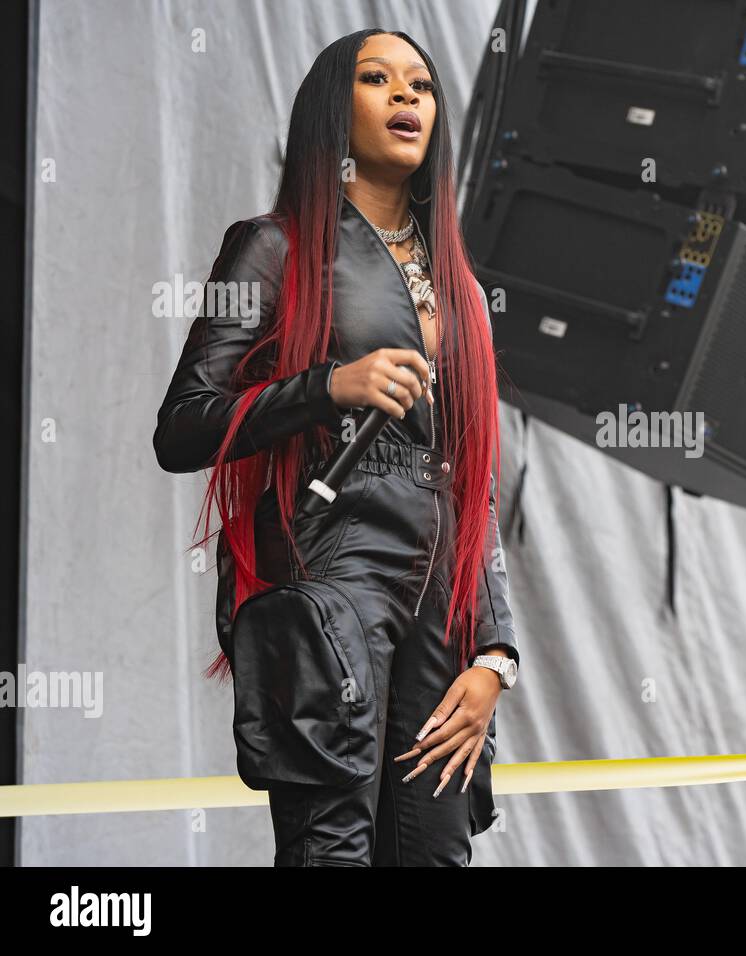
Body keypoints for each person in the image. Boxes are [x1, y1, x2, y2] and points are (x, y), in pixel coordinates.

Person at [153, 28, 519, 866]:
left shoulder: (461, 288)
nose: (405, 96)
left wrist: (496, 653)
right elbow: (183, 426)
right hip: (329, 572)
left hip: (441, 603)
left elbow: (477, 483)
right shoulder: (273, 247)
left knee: (435, 851)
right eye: (376, 79)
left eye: (421, 85)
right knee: (332, 852)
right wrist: (328, 387)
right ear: (331, 110)